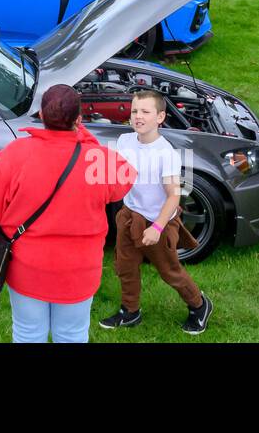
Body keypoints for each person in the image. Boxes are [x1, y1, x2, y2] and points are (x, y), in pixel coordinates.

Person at [0, 84, 133, 343]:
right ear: (79, 119)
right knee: (72, 335)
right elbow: (127, 176)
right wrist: (84, 137)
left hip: (27, 269)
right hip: (79, 272)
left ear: (42, 116)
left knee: (27, 333)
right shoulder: (97, 159)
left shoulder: (15, 154)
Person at [100, 90, 212, 335]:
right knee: (125, 266)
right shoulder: (124, 141)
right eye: (134, 111)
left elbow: (174, 195)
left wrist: (158, 227)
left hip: (157, 221)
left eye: (145, 112)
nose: (138, 117)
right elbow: (116, 176)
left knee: (169, 272)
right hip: (130, 215)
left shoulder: (166, 153)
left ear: (160, 117)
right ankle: (130, 312)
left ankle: (199, 305)